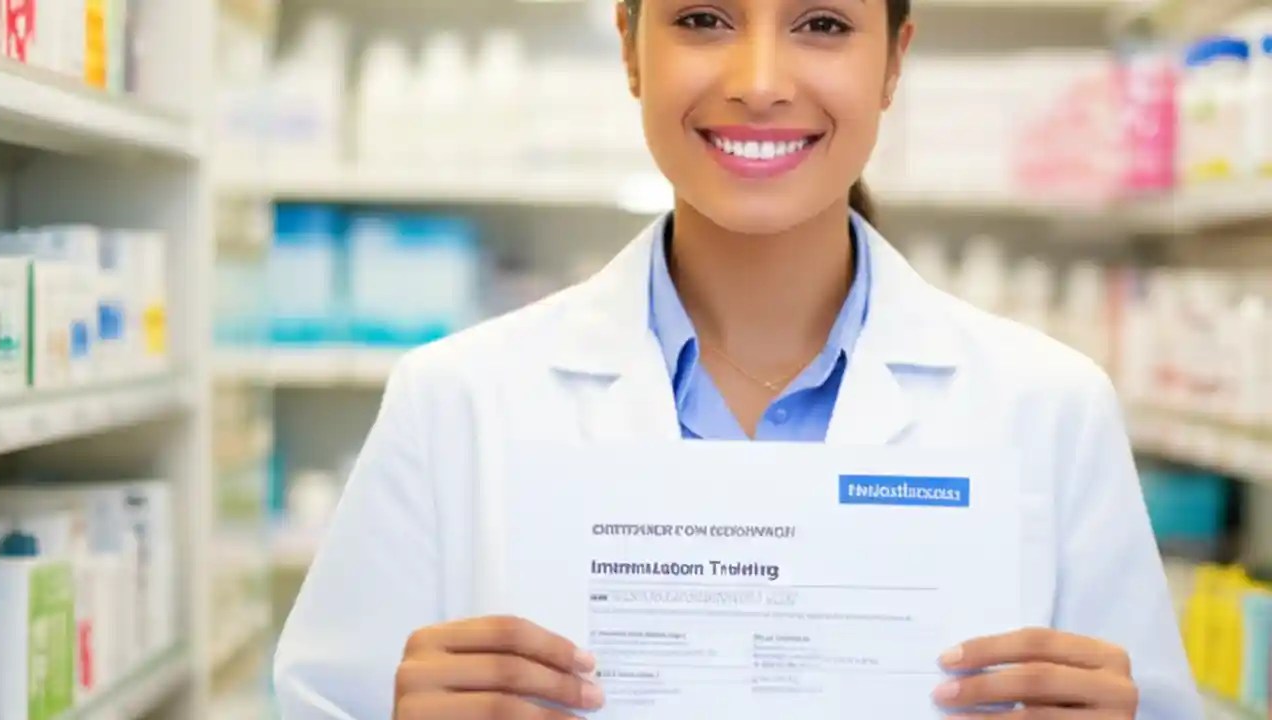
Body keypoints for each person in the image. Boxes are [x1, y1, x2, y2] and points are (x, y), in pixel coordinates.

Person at [272, 0, 1204, 717]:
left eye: (823, 24)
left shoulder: (1051, 408)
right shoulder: (454, 400)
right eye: (704, 19)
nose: (759, 81)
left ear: (893, 63)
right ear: (631, 49)